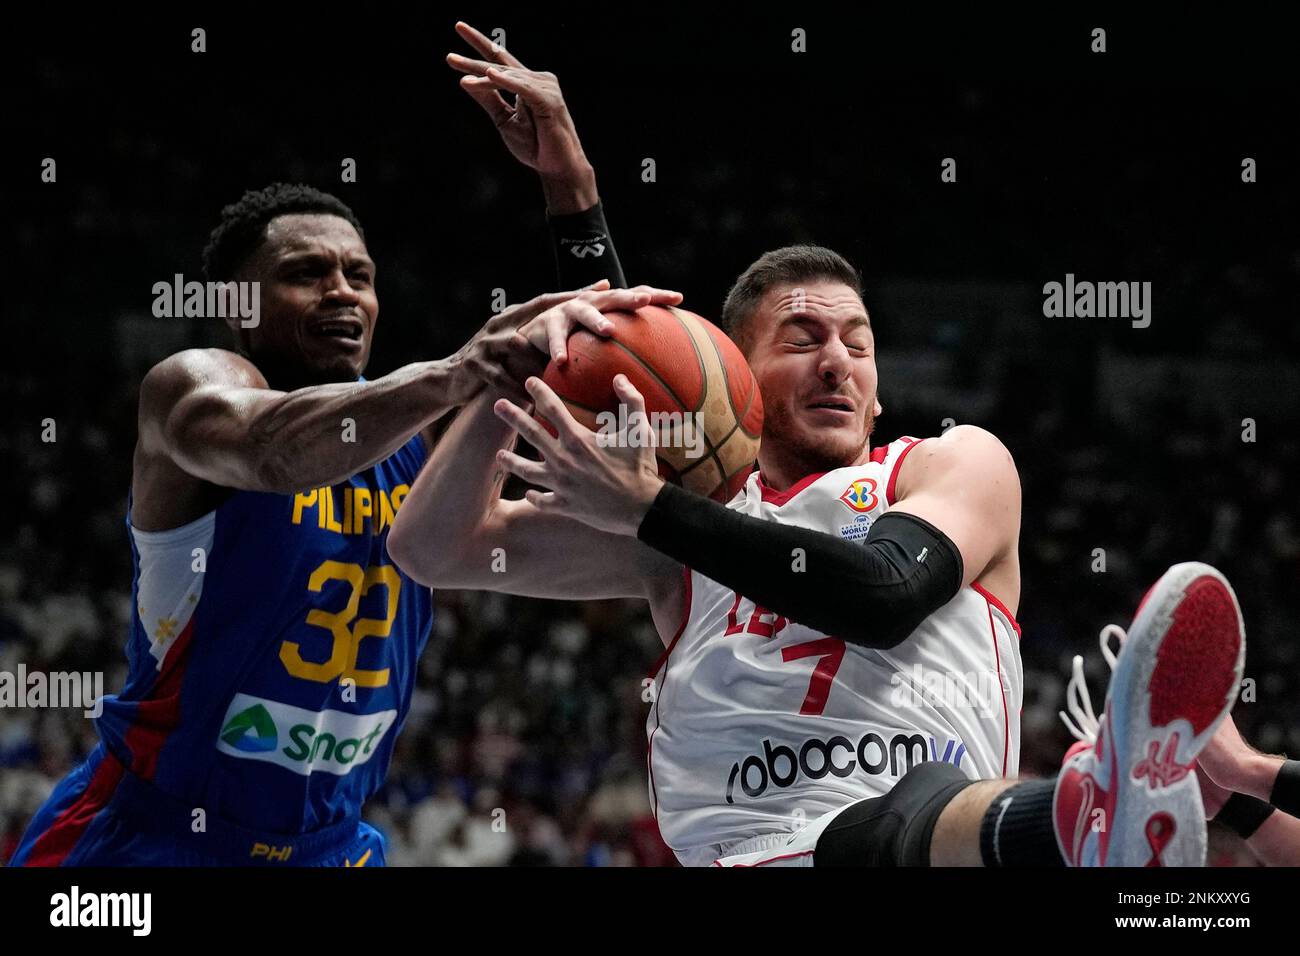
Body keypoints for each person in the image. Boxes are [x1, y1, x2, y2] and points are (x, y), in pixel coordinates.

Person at [388, 26, 1248, 866]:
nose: (838, 360)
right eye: (802, 337)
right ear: (734, 377)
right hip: (744, 852)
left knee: (909, 804)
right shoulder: (678, 534)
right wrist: (517, 364)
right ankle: (1082, 820)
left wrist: (649, 508)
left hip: (921, 837)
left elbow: (885, 594)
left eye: (859, 343)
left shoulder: (951, 464)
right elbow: (430, 546)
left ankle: (1086, 816)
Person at [10, 181, 666, 866]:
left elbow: (604, 403)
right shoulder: (190, 388)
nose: (342, 291)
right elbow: (273, 451)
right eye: (305, 274)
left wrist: (571, 185)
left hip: (331, 845)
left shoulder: (412, 439)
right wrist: (456, 372)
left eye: (360, 275)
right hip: (153, 835)